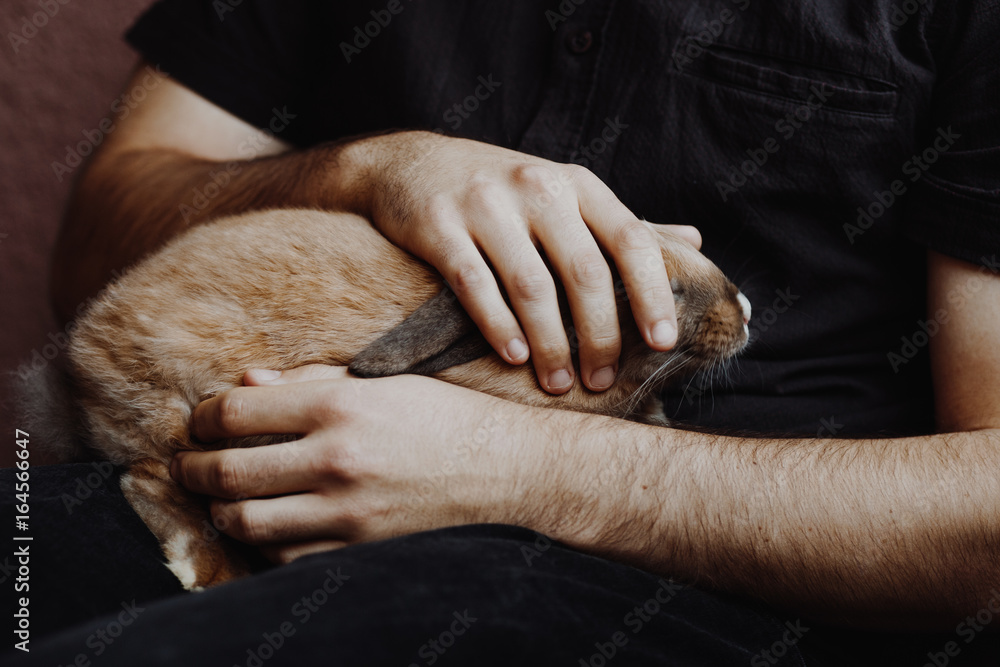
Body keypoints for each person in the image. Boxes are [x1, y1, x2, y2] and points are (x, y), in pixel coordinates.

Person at [6, 0, 1000, 664]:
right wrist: (354, 169)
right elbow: (92, 258)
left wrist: (530, 472)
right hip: (238, 473)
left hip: (726, 585)